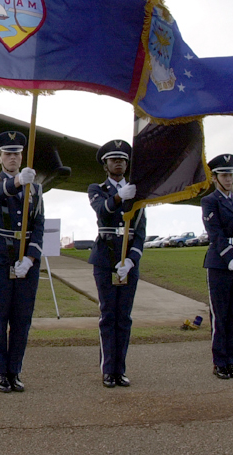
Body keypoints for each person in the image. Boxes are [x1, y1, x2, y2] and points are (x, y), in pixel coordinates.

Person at [0, 131, 45, 393]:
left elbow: (38, 225)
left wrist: (30, 258)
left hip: (26, 258)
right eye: (8, 153)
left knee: (21, 319)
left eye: (17, 153)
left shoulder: (35, 189)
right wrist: (17, 181)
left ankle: (14, 370)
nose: (13, 157)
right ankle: (0, 372)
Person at [88, 139, 146, 388]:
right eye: (114, 159)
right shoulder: (96, 189)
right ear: (106, 164)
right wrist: (119, 198)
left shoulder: (137, 192)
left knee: (124, 317)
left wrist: (132, 261)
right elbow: (102, 211)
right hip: (105, 258)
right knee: (108, 315)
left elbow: (141, 232)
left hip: (128, 262)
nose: (118, 163)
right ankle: (107, 370)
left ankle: (120, 369)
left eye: (122, 159)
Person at [202, 153, 233, 380]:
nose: (229, 179)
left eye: (231, 174)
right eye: (224, 175)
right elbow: (216, 234)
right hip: (221, 265)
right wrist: (230, 258)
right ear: (215, 178)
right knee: (220, 317)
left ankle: (232, 361)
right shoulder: (210, 201)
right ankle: (219, 363)